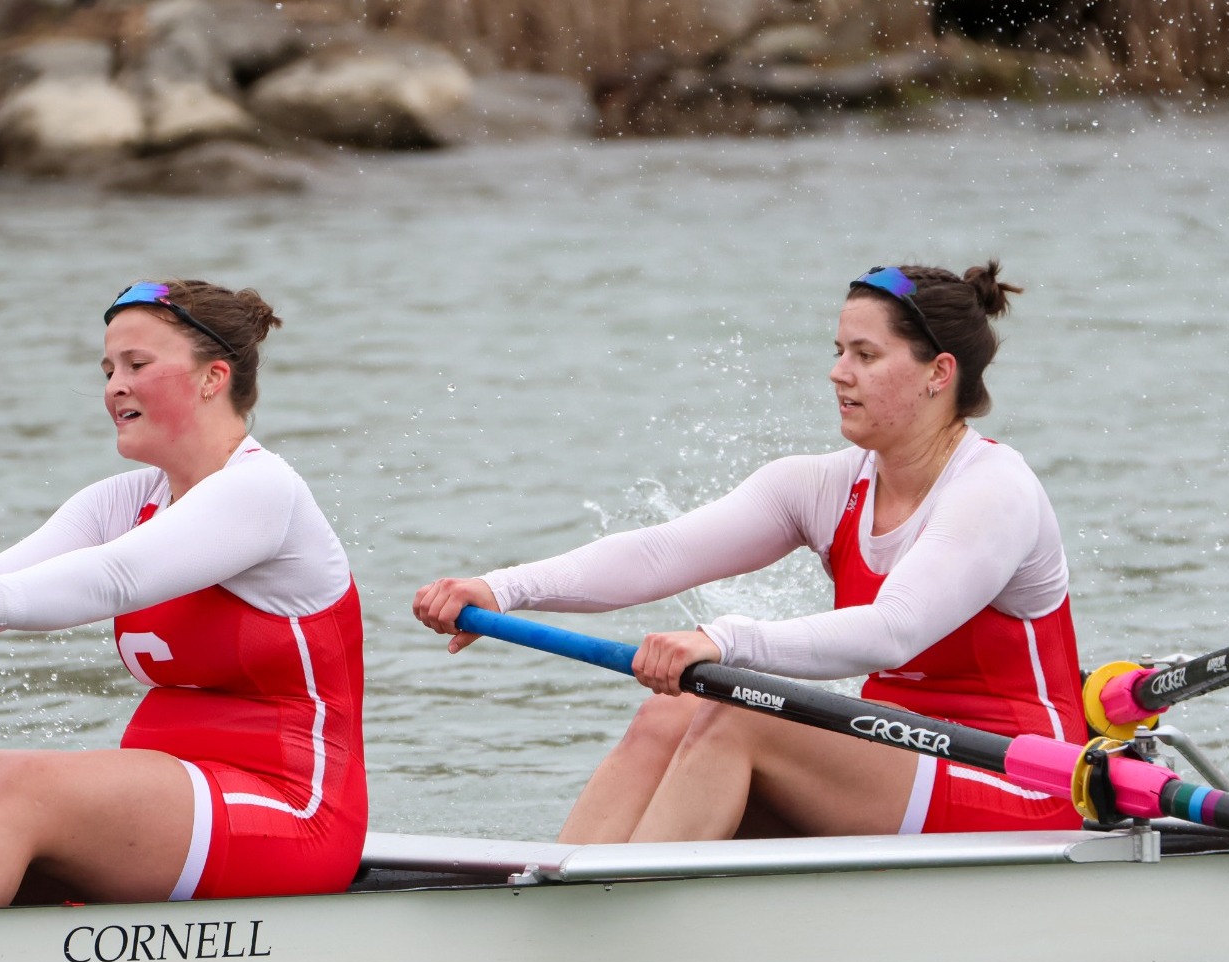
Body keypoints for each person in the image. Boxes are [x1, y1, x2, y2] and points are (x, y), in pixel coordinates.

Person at [414, 262, 1085, 843]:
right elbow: (660, 553)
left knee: (737, 715)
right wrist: (501, 589)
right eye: (838, 350)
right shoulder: (822, 485)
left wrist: (723, 640)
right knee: (669, 713)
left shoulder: (994, 489)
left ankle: (614, 934)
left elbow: (893, 631)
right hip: (900, 754)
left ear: (939, 373)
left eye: (864, 355)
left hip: (1020, 778)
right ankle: (567, 897)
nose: (836, 372)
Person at [0, 280, 366, 908]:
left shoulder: (263, 491)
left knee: (27, 787)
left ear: (212, 377)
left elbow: (116, 577)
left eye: (138, 365)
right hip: (174, 796)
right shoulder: (119, 501)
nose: (114, 385)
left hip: (289, 810)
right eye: (109, 368)